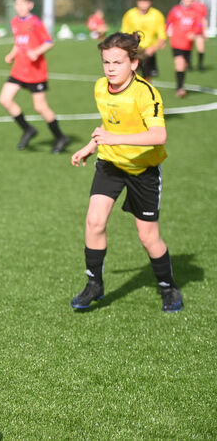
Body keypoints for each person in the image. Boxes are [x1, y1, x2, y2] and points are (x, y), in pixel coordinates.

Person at [69, 32, 182, 313]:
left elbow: (159, 134)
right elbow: (109, 125)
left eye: (117, 63)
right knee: (94, 221)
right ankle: (94, 284)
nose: (110, 69)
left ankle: (168, 286)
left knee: (147, 237)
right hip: (110, 164)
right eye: (106, 62)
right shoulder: (100, 87)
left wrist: (114, 139)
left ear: (133, 63)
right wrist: (89, 147)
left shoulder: (146, 93)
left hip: (143, 169)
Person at [0, 0, 69, 153]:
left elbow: (49, 42)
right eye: (17, 4)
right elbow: (18, 42)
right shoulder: (15, 21)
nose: (19, 7)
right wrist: (11, 54)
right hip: (18, 70)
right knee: (4, 99)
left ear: (30, 5)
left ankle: (60, 137)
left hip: (36, 72)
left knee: (40, 107)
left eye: (23, 4)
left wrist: (36, 52)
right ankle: (28, 129)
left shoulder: (35, 22)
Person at [121, 0, 167, 81]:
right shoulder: (129, 15)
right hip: (133, 51)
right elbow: (124, 34)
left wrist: (153, 49)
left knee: (147, 79)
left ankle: (147, 94)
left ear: (150, 2)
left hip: (148, 52)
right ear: (137, 1)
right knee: (131, 77)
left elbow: (162, 37)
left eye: (146, 1)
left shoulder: (157, 15)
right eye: (141, 1)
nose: (143, 4)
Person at [167, 0, 202, 98]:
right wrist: (165, 34)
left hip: (188, 44)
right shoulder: (175, 10)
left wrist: (194, 33)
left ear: (192, 0)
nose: (187, 1)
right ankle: (180, 89)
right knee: (180, 63)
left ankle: (180, 85)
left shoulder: (195, 12)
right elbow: (168, 22)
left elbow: (199, 25)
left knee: (184, 66)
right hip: (176, 42)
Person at [192, 0, 208, 71]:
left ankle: (200, 65)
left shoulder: (202, 6)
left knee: (201, 48)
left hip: (199, 31)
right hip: (190, 31)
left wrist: (205, 31)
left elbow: (204, 19)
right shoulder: (189, 5)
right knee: (188, 49)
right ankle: (189, 65)